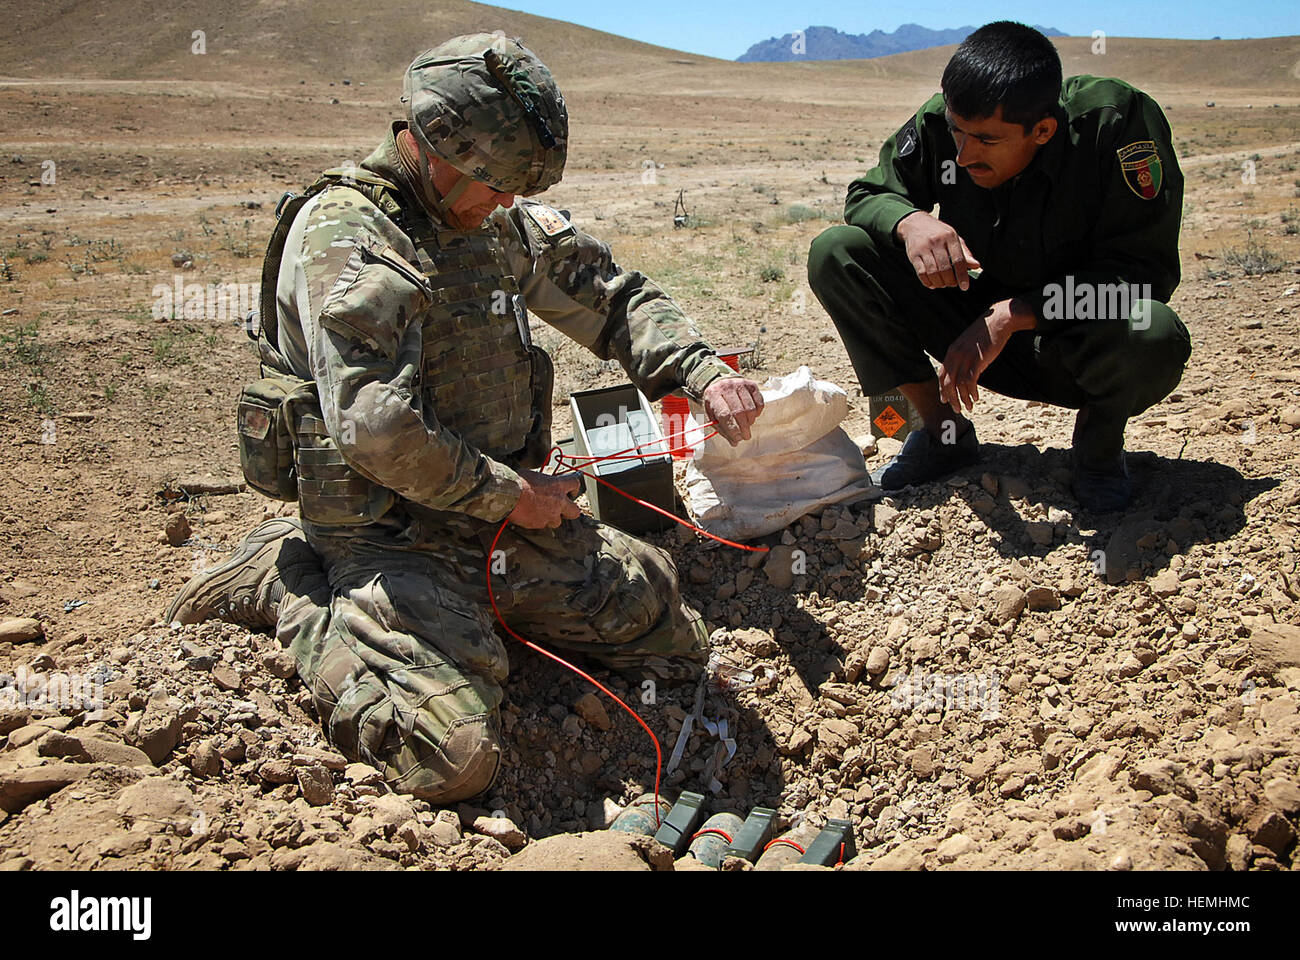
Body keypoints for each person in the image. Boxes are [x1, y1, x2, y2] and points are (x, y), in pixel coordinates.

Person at [166, 33, 764, 804]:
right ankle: (294, 585)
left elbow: (611, 298)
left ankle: (475, 612)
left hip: (495, 519)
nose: (509, 201)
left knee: (668, 628)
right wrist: (513, 495)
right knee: (450, 756)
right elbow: (377, 428)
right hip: (384, 534)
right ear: (436, 142)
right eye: (494, 180)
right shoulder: (349, 237)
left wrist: (700, 369)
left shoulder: (491, 222)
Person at [808, 21, 1191, 512]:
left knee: (1151, 330)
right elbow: (867, 196)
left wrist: (1015, 314)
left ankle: (1098, 452)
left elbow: (1144, 277)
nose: (964, 154)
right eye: (956, 133)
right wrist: (911, 221)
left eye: (986, 141)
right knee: (838, 251)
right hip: (964, 328)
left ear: (1043, 130)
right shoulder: (950, 117)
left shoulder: (1115, 125)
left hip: (1072, 344)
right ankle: (942, 433)